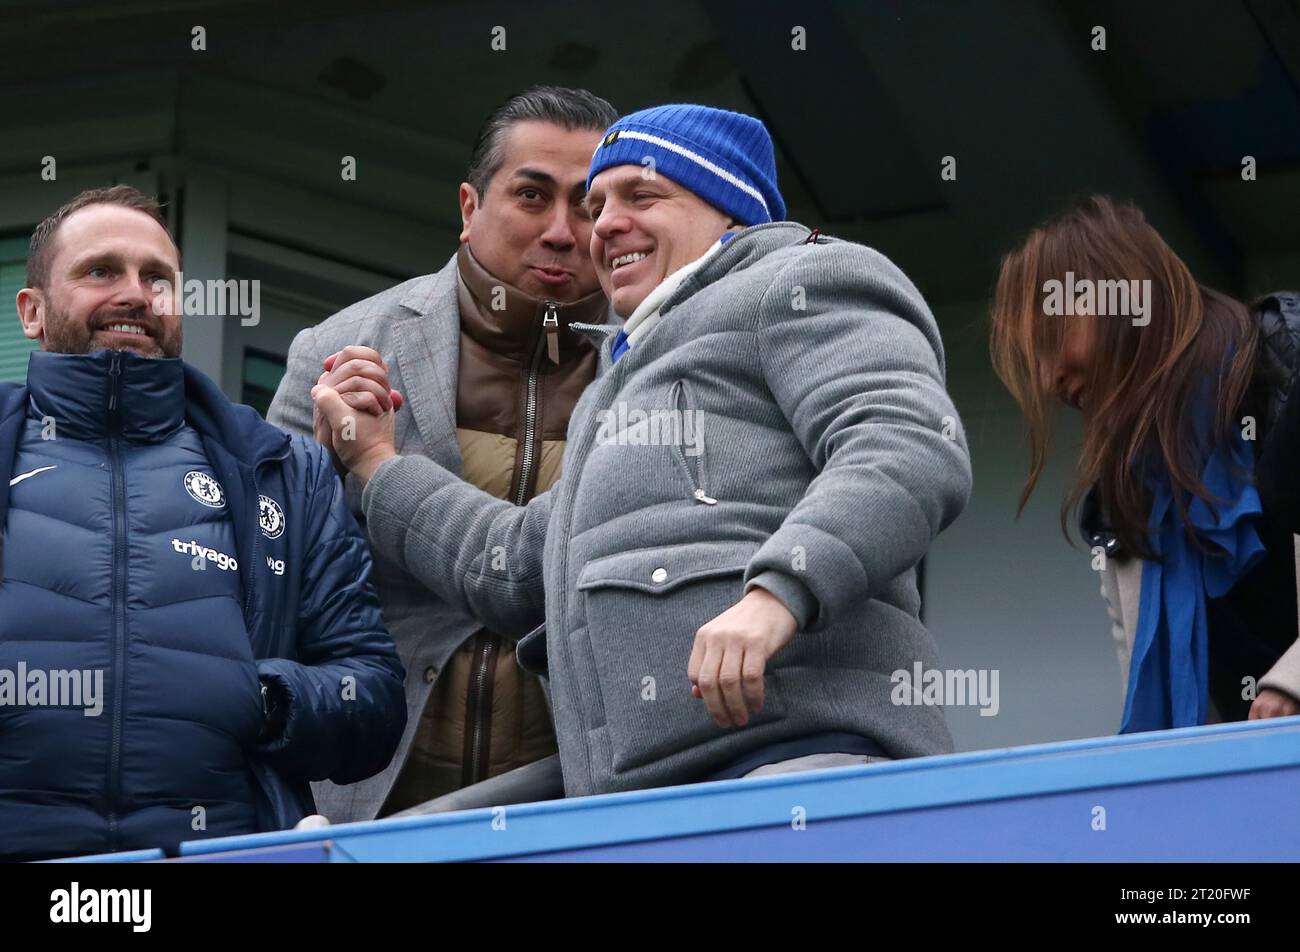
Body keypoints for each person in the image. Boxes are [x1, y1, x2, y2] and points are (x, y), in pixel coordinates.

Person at [311, 104, 972, 796]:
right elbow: (508, 570)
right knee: (424, 836)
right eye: (599, 205)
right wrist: (374, 463)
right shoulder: (616, 387)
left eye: (642, 195)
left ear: (728, 209)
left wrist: (780, 592)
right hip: (638, 797)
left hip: (799, 758)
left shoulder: (799, 282)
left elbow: (907, 441)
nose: (604, 226)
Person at [0, 185, 405, 860]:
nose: (135, 293)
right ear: (33, 311)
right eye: (102, 271)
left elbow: (373, 696)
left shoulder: (283, 470)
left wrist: (264, 697)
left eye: (157, 278)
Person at [269, 86, 618, 819]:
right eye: (531, 195)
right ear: (468, 207)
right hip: (370, 791)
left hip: (581, 793)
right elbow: (273, 588)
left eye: (588, 204)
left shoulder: (660, 362)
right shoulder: (338, 352)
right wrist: (331, 471)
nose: (561, 230)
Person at [989, 194, 1300, 731]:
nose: (1048, 378)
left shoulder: (1284, 365)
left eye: (1049, 339)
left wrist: (1292, 681)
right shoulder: (1125, 500)